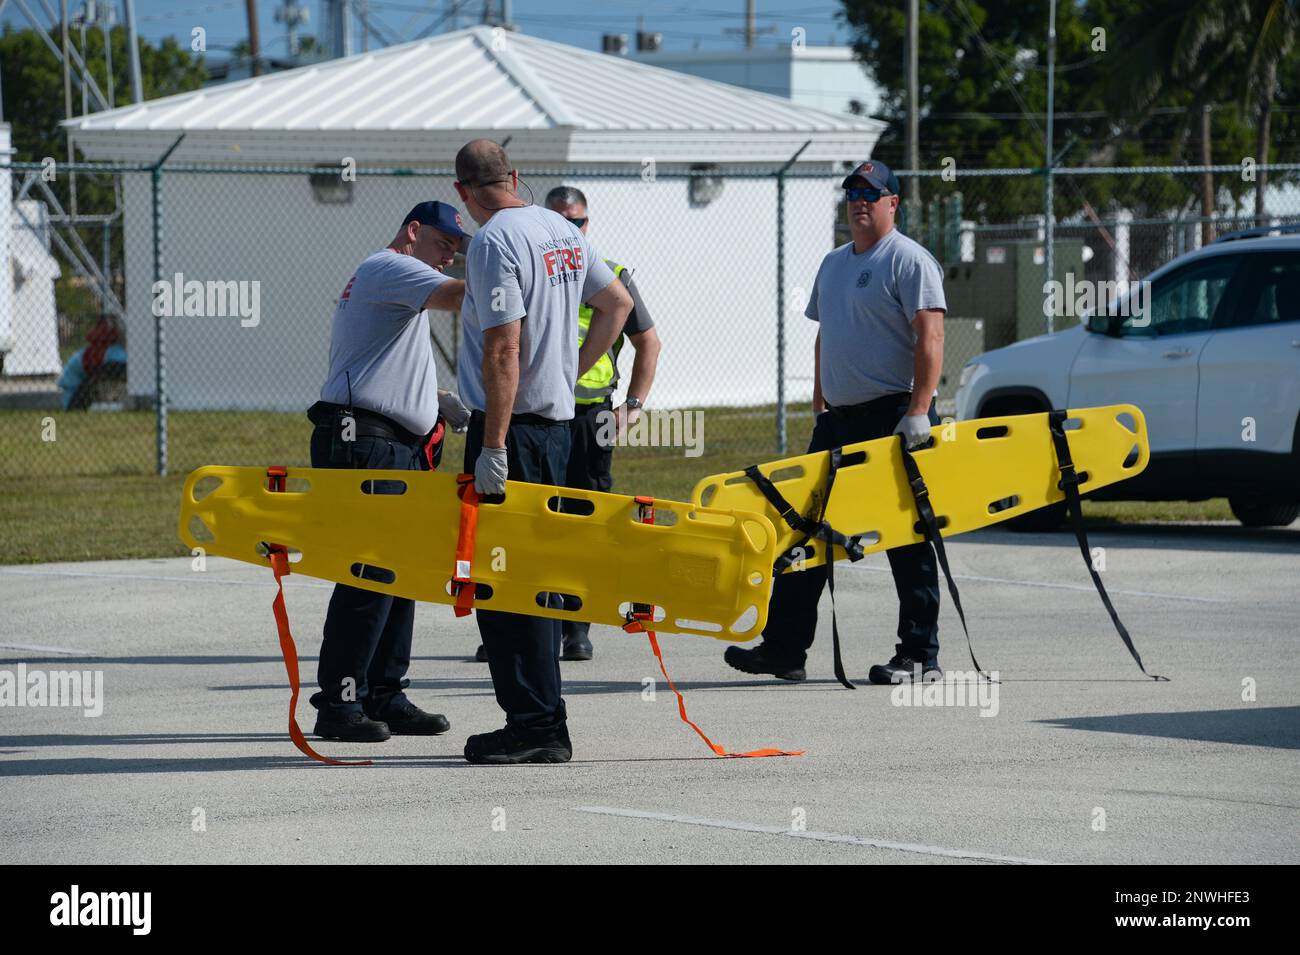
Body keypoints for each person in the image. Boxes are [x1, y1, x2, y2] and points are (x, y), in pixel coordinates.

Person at [723, 159, 948, 686]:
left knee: (906, 535)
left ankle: (919, 655)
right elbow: (827, 334)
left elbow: (931, 337)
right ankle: (785, 650)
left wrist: (919, 410)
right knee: (802, 530)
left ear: (894, 202)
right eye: (852, 193)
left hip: (895, 415)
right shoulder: (834, 263)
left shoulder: (909, 260)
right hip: (840, 419)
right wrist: (821, 400)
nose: (860, 201)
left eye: (871, 193)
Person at [454, 139, 633, 764]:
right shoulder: (560, 228)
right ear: (516, 177)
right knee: (538, 577)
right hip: (557, 428)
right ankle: (539, 718)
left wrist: (494, 445)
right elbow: (617, 306)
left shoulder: (494, 240)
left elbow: (503, 348)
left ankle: (535, 725)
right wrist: (566, 371)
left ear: (463, 193)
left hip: (515, 431)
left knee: (505, 582)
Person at [469, 185, 660, 663]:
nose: (569, 231)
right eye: (562, 221)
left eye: (577, 224)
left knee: (581, 520)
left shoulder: (607, 270)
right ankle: (528, 623)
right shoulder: (538, 261)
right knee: (533, 526)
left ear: (586, 225)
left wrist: (632, 404)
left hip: (589, 410)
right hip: (540, 410)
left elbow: (649, 342)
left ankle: (576, 624)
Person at [307, 200, 473, 742]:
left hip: (388, 442)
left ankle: (383, 692)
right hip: (366, 442)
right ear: (414, 231)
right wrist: (519, 275)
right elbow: (460, 297)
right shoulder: (391, 267)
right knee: (371, 572)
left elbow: (381, 365)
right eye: (445, 245)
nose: (449, 259)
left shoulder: (395, 281)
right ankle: (339, 703)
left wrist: (435, 398)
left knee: (401, 574)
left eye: (455, 250)